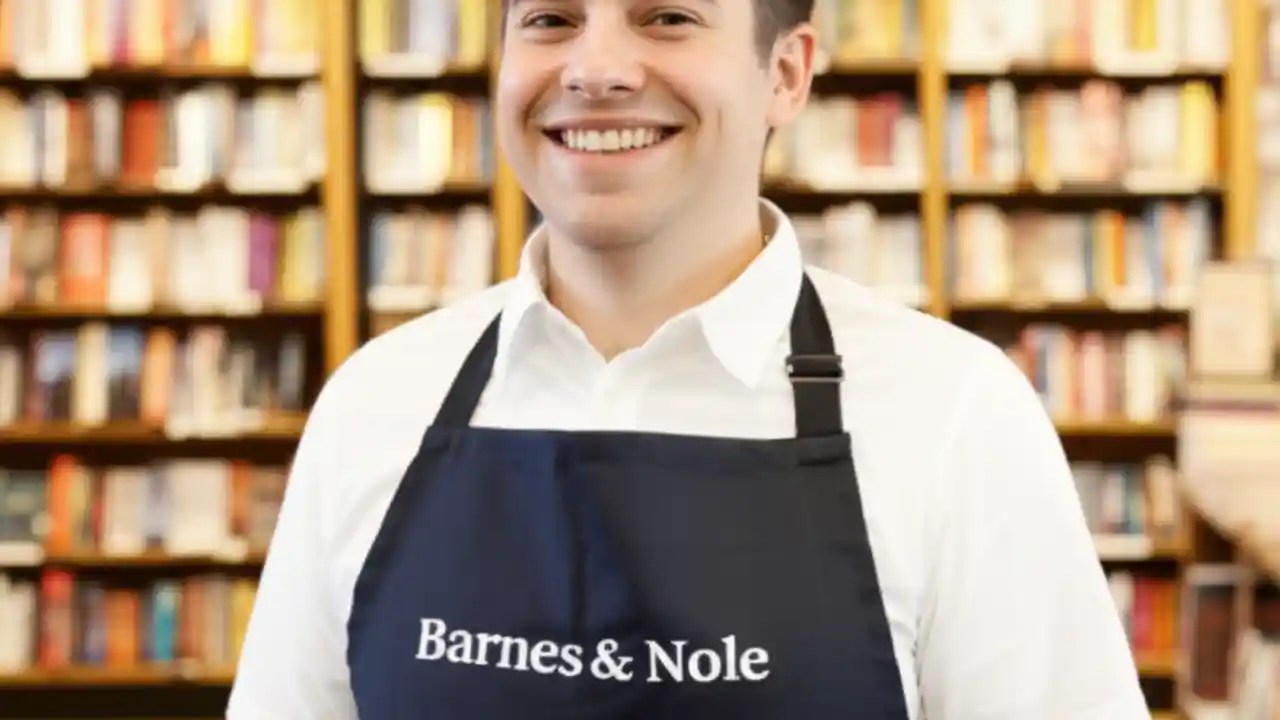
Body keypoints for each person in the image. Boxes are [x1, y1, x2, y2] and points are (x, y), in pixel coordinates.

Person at [226, 0, 1150, 717]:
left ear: (785, 73)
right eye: (550, 20)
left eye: (666, 16)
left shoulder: (956, 414)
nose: (594, 70)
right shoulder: (374, 402)